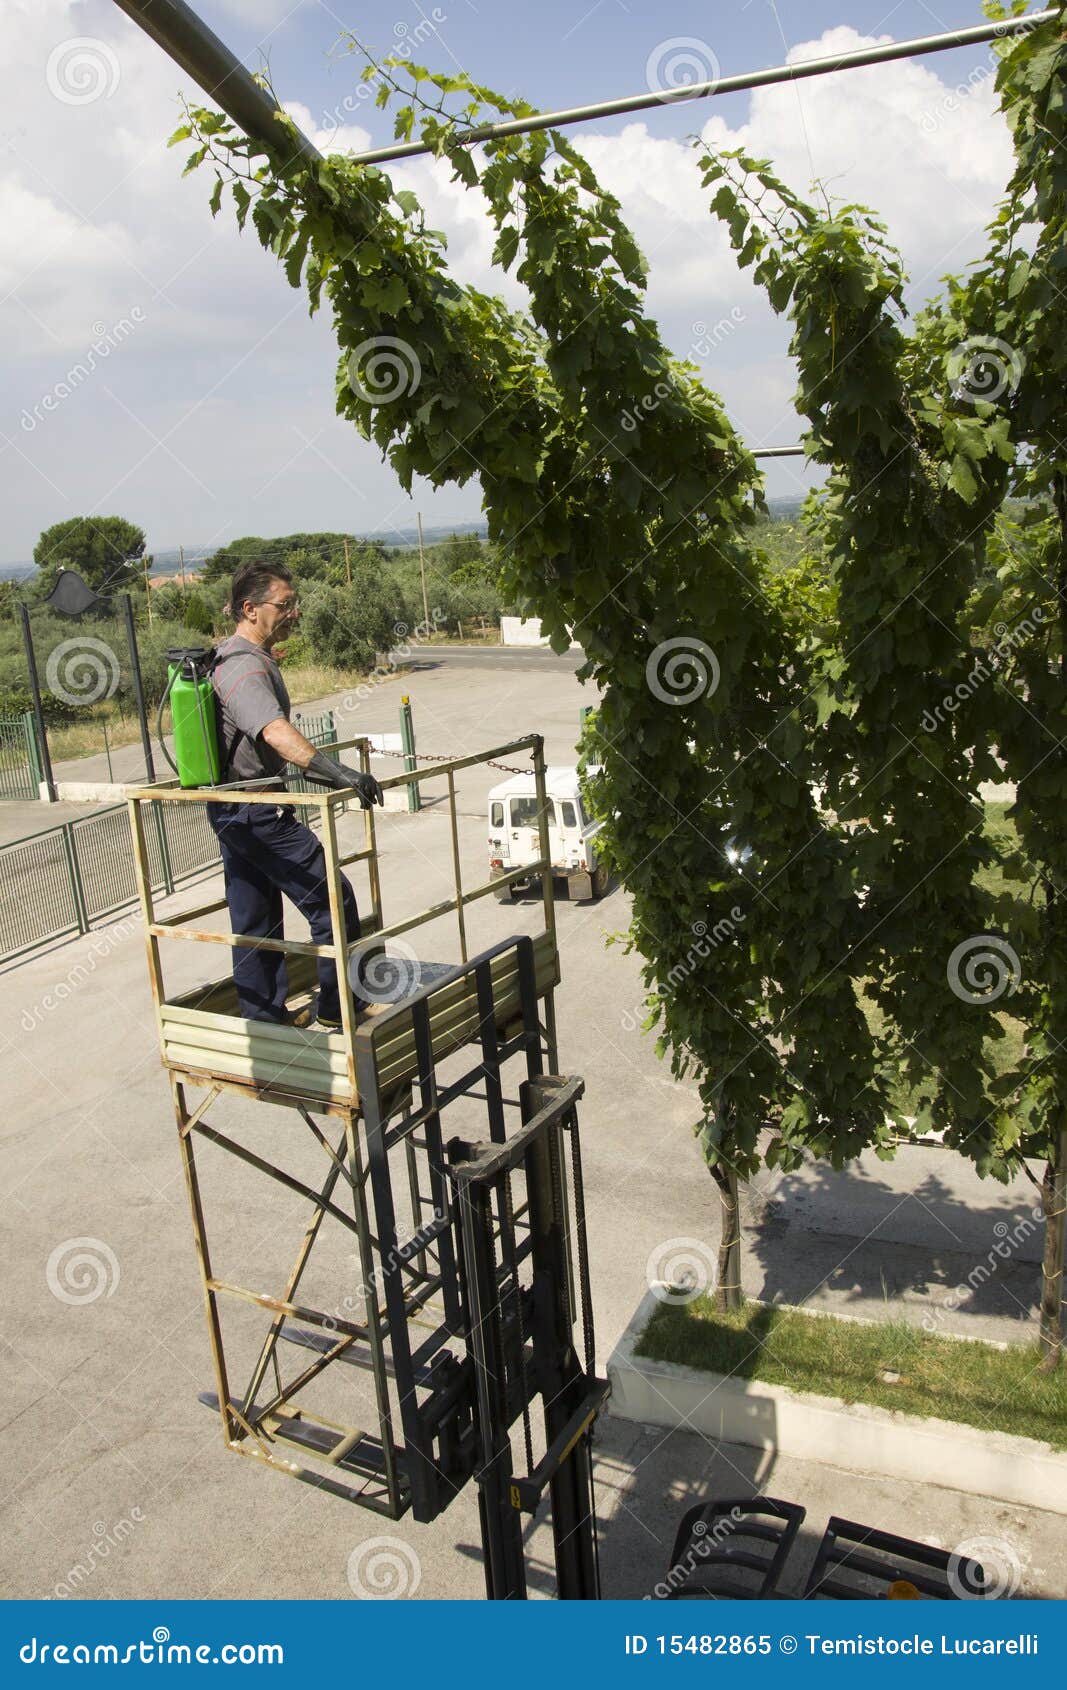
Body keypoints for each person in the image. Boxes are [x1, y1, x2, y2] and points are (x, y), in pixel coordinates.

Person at [206, 560, 383, 1028]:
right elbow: (275, 733)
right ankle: (337, 1007)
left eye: (293, 604)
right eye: (284, 605)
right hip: (254, 810)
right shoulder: (242, 666)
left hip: (236, 807)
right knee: (333, 898)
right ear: (250, 609)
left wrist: (326, 774)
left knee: (255, 917)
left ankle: (264, 1019)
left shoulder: (238, 657)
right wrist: (342, 773)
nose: (294, 613)